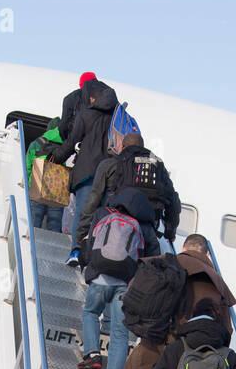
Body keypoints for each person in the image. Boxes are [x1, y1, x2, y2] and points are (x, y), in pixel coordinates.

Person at [78, 188, 161, 369]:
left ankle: (93, 354)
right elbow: (152, 261)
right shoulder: (145, 227)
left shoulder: (104, 214)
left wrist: (86, 264)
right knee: (119, 335)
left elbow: (89, 243)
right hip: (125, 284)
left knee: (90, 313)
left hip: (99, 279)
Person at [75, 133, 181, 251]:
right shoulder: (158, 169)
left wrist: (81, 234)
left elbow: (93, 201)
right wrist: (170, 233)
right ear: (142, 147)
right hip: (147, 233)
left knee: (100, 262)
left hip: (114, 228)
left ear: (122, 147)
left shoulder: (110, 164)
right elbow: (174, 203)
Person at [49, 78, 118, 252]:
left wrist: (55, 156)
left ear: (92, 97)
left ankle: (76, 251)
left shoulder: (87, 114)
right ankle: (94, 256)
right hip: (112, 175)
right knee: (102, 217)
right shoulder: (119, 116)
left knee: (82, 212)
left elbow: (71, 141)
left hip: (88, 172)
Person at [174, 234, 236, 333]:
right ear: (207, 253)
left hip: (152, 342)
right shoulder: (218, 281)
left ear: (183, 248)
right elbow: (226, 328)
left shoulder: (162, 262)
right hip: (191, 343)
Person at [26, 116, 65, 232]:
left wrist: (29, 185)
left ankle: (30, 247)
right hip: (58, 189)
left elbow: (28, 166)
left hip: (37, 184)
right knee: (55, 224)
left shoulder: (36, 144)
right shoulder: (67, 145)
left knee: (34, 222)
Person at [60, 71, 97, 140]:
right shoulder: (105, 97)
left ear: (81, 84)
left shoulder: (70, 98)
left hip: (76, 142)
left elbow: (63, 126)